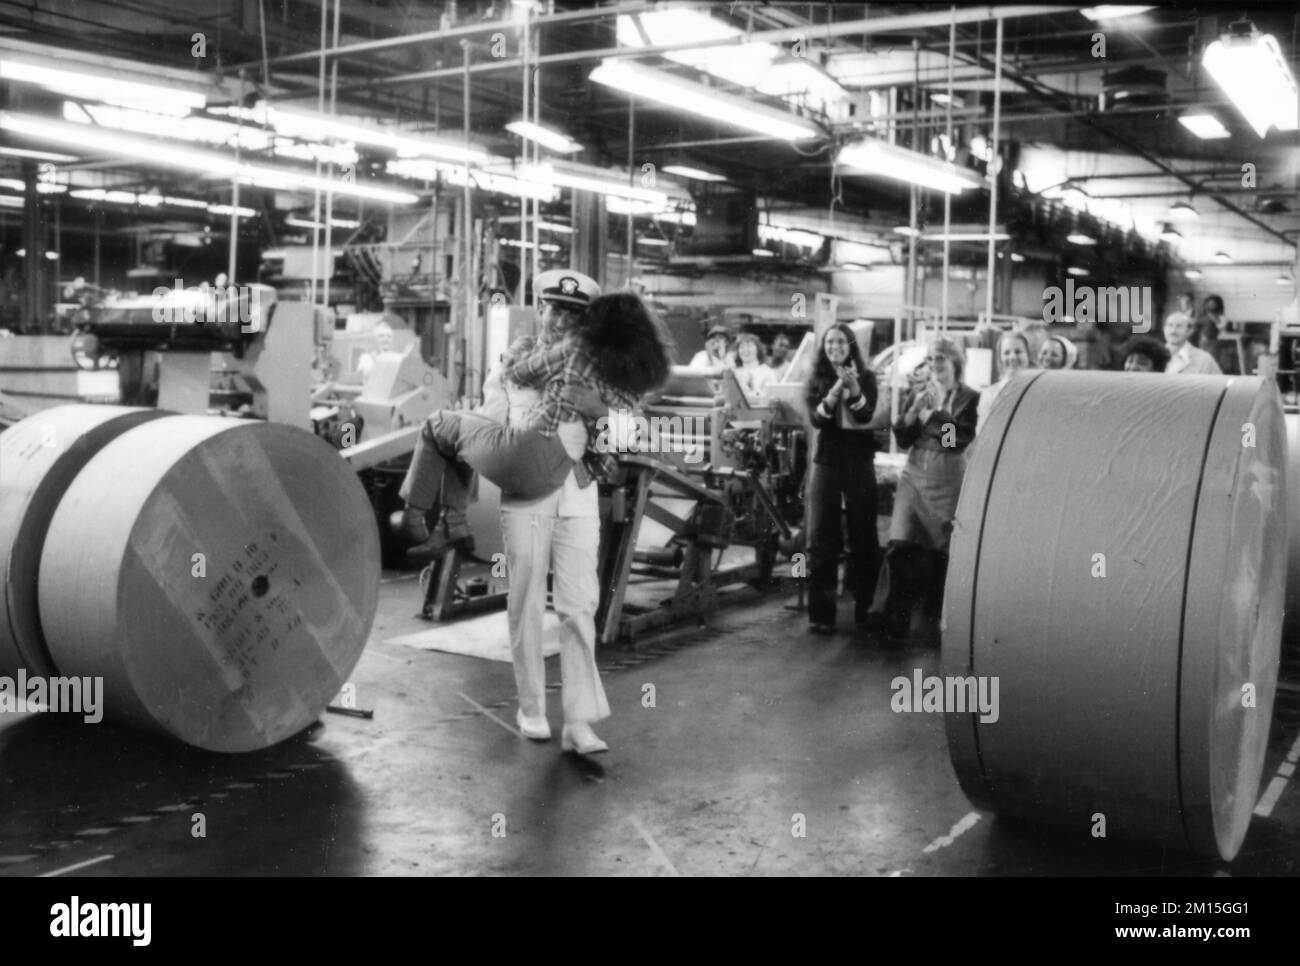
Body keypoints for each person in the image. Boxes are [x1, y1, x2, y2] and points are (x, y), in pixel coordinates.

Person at [499, 290, 674, 755]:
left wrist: (598, 409)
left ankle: (578, 720)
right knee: (527, 596)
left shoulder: (599, 362)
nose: (558, 319)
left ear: (587, 324)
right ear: (538, 311)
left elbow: (633, 431)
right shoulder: (530, 353)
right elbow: (513, 381)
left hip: (578, 484)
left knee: (579, 605)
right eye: (551, 309)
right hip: (530, 481)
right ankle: (531, 706)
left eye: (571, 314)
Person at [868, 336, 978, 641]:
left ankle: (935, 621)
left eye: (940, 359)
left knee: (942, 552)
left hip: (948, 481)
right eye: (930, 360)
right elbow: (903, 439)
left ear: (955, 361)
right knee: (899, 544)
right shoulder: (920, 392)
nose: (934, 365)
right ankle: (889, 620)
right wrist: (914, 411)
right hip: (914, 478)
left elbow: (954, 442)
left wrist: (935, 414)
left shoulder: (970, 398)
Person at [803, 323, 879, 635]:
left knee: (864, 536)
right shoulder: (817, 379)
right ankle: (821, 615)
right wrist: (837, 388)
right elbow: (818, 419)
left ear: (851, 345)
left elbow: (866, 415)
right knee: (821, 538)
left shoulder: (868, 377)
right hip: (828, 463)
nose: (834, 347)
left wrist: (856, 389)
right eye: (829, 342)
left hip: (859, 463)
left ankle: (866, 609)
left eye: (840, 342)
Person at [976, 330, 1032, 433]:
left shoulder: (1039, 390)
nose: (1012, 357)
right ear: (1000, 358)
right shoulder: (989, 394)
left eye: (1018, 351)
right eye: (1006, 353)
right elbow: (982, 434)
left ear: (1028, 355)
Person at [1163, 311, 1221, 375]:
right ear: (1164, 329)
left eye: (1179, 326)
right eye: (1170, 325)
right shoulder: (1153, 356)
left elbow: (1220, 383)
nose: (1173, 330)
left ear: (1189, 331)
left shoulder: (1204, 360)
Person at [732, 332, 777, 399]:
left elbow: (769, 398)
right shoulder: (734, 373)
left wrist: (744, 387)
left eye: (749, 346)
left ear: (758, 350)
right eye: (741, 347)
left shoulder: (768, 372)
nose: (745, 350)